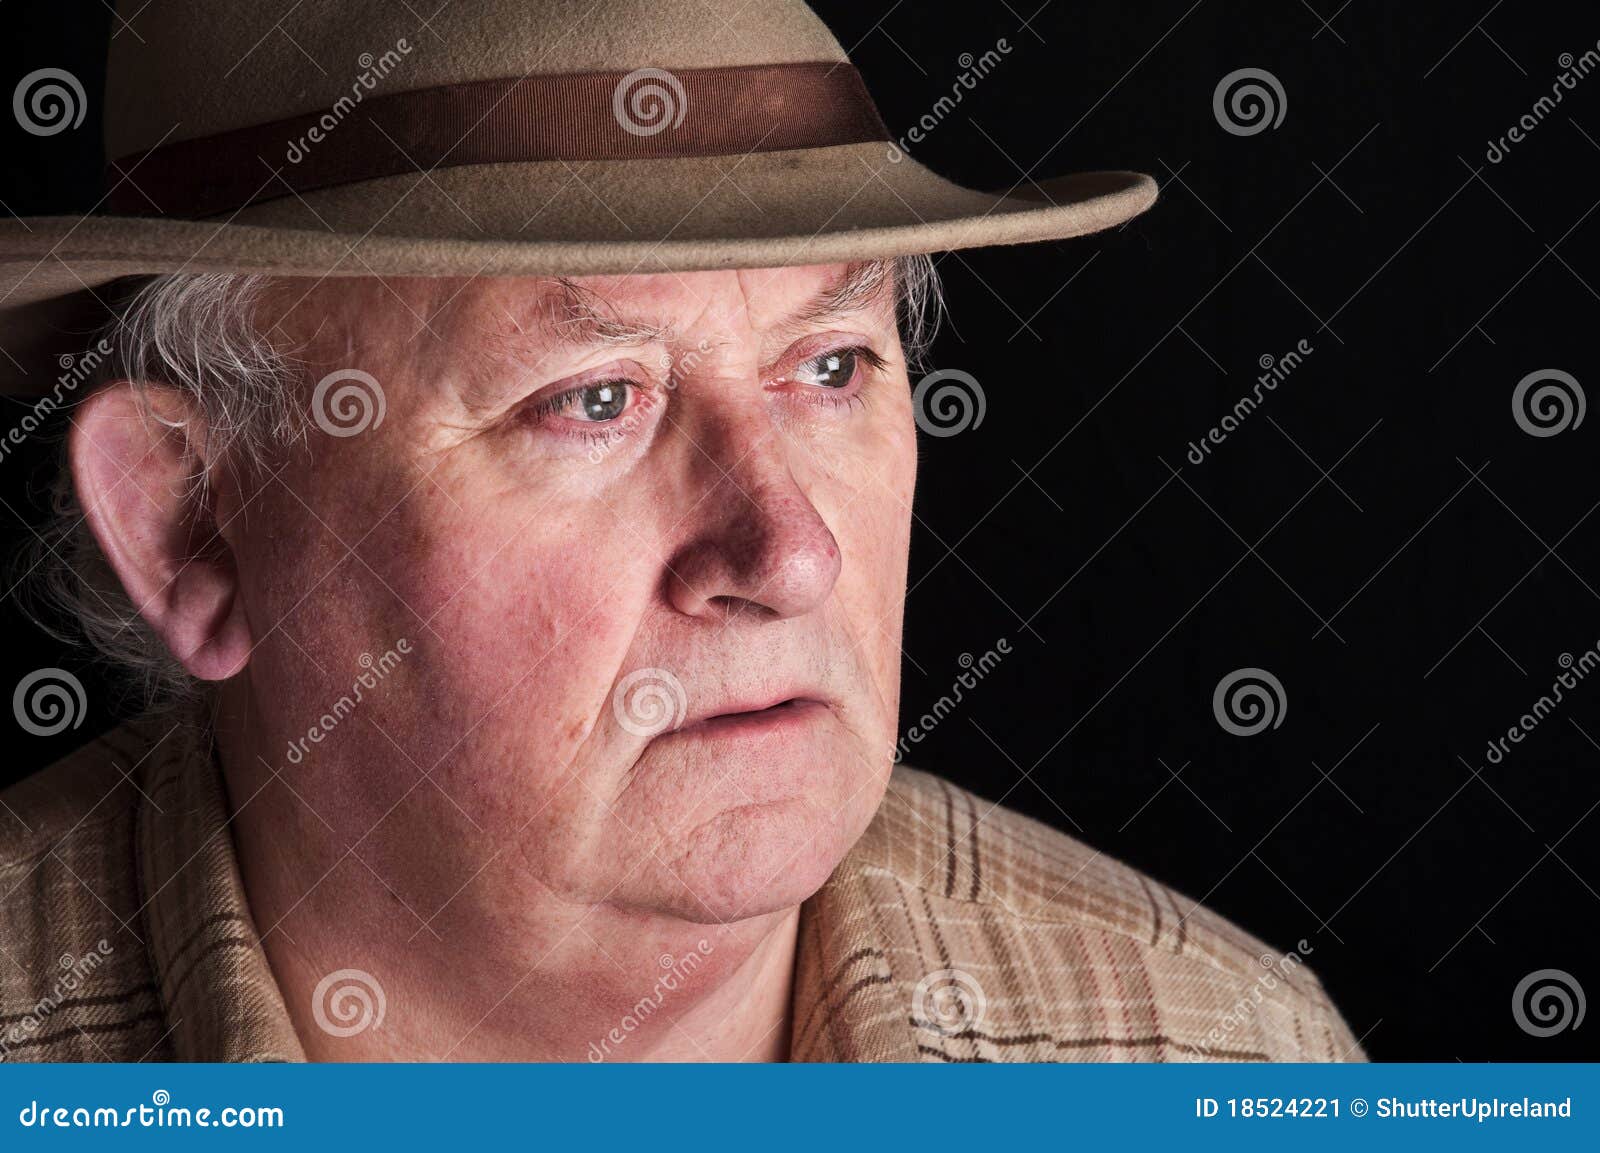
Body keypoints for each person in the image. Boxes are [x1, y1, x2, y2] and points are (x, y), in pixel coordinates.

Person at [0, 0, 1362, 1062]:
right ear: (189, 521)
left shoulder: (1224, 1054)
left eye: (831, 366)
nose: (790, 553)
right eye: (593, 399)